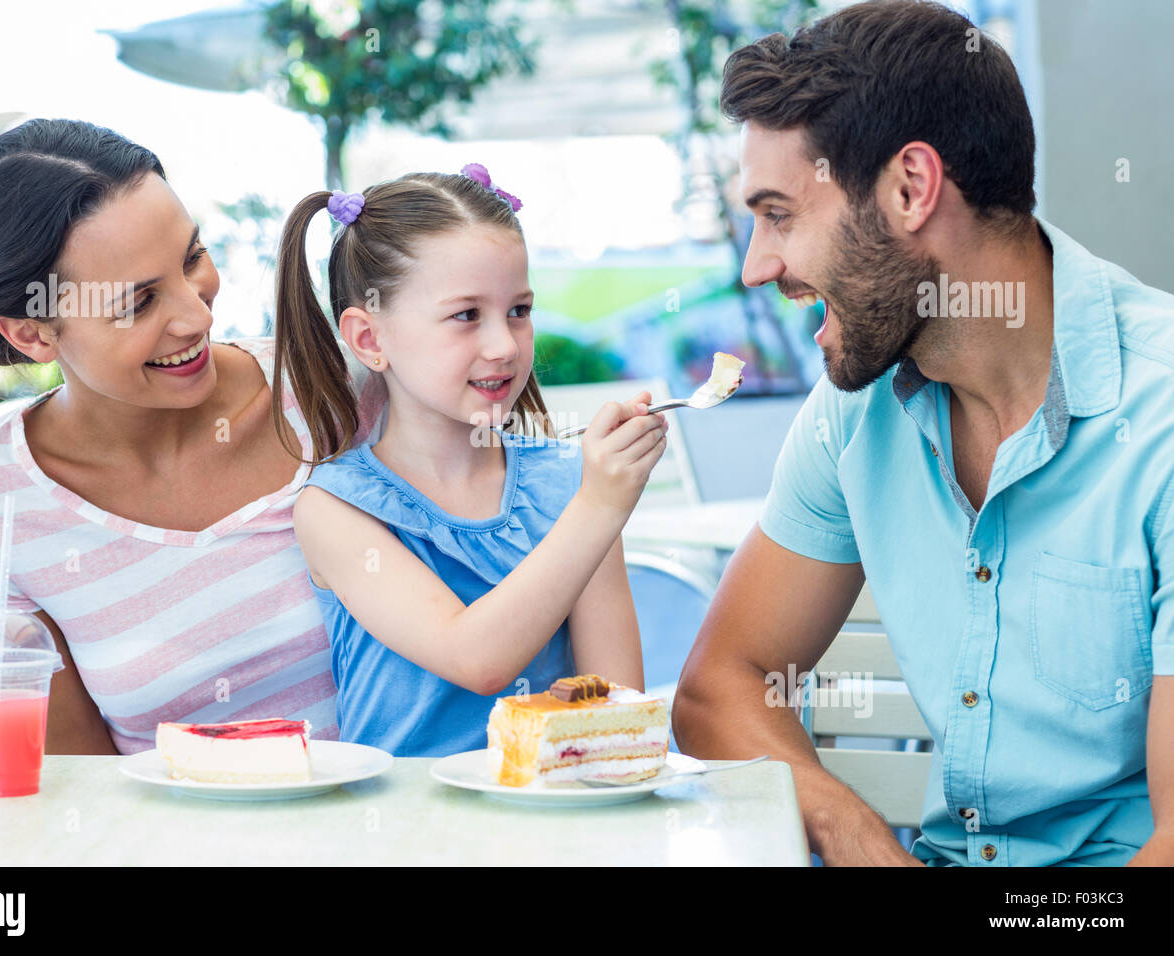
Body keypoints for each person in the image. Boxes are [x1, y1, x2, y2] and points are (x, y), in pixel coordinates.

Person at [673, 0, 1173, 866]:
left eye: (780, 214)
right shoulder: (855, 407)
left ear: (911, 188)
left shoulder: (1160, 418)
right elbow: (723, 685)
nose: (758, 266)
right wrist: (853, 829)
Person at [0, 118, 387, 754]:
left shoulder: (342, 391)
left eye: (192, 258)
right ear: (32, 334)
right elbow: (68, 788)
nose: (197, 315)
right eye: (136, 303)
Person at [278, 166, 668, 756]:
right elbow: (476, 659)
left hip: (554, 824)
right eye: (466, 316)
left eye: (519, 310)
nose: (505, 346)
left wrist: (594, 500)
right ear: (369, 340)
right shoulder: (335, 510)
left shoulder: (571, 484)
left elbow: (618, 717)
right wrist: (599, 505)